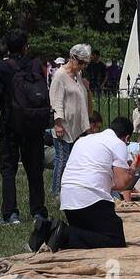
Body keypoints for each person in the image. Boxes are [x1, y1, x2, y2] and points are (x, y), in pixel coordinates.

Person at [31, 116, 136, 252]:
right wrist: (132, 169)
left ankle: (48, 229)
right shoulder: (118, 143)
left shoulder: (85, 140)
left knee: (89, 232)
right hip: (90, 199)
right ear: (126, 138)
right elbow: (122, 184)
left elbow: (100, 178)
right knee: (115, 239)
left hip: (68, 199)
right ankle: (64, 234)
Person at [0, 31, 48, 225]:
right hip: (34, 124)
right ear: (25, 46)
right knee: (35, 170)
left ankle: (11, 213)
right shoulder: (36, 65)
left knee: (9, 170)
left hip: (11, 124)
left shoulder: (1, 68)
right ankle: (38, 211)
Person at [48, 43, 90, 195]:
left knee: (72, 161)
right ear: (72, 58)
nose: (82, 66)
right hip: (63, 126)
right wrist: (58, 123)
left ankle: (69, 188)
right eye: (80, 62)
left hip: (75, 126)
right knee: (61, 160)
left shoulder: (77, 75)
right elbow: (56, 100)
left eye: (85, 63)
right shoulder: (60, 75)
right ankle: (56, 191)